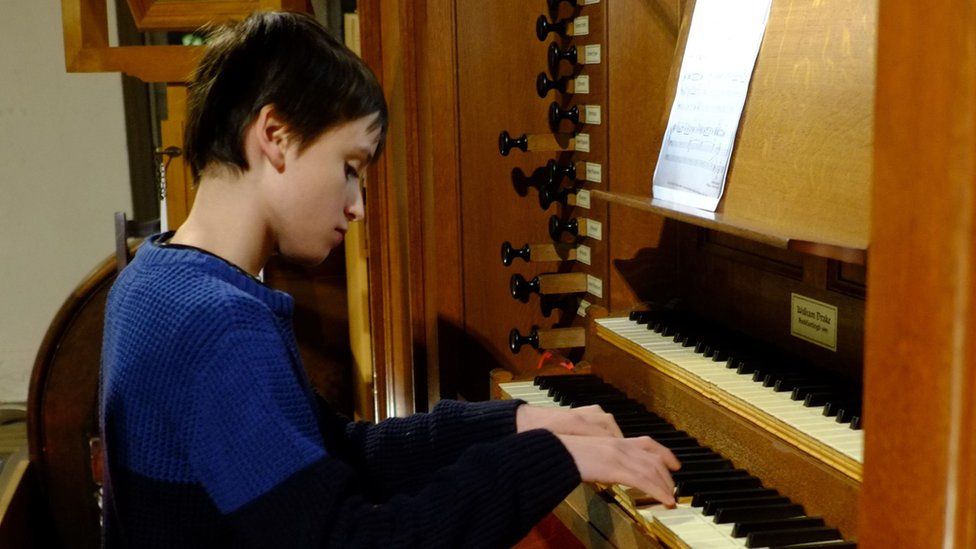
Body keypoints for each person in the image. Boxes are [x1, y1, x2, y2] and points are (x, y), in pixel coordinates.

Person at [99, 11, 679, 548]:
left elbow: (344, 453)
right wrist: (553, 459)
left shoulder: (156, 278)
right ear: (273, 135)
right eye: (349, 168)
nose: (357, 206)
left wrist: (518, 420)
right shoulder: (216, 323)